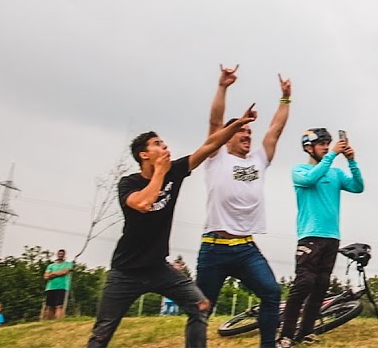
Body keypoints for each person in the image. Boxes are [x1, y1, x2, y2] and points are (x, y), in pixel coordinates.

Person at [85, 110, 256, 348]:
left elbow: (209, 145)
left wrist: (237, 124)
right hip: (125, 272)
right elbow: (143, 203)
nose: (164, 146)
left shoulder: (174, 171)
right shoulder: (129, 183)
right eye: (157, 144)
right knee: (102, 333)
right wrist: (160, 174)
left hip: (158, 268)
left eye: (164, 142)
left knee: (200, 306)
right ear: (144, 155)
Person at [195, 65, 290, 348]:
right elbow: (215, 122)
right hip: (214, 248)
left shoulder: (258, 160)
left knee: (272, 293)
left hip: (245, 249)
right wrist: (223, 86)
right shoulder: (216, 158)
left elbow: (275, 129)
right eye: (241, 131)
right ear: (229, 136)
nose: (247, 134)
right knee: (202, 309)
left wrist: (285, 98)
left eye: (249, 131)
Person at [276, 128, 363, 348]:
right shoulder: (300, 170)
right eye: (322, 144)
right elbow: (312, 179)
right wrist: (333, 155)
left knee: (321, 286)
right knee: (303, 284)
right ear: (309, 147)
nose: (326, 147)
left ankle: (306, 332)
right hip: (309, 236)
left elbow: (358, 186)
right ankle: (285, 334)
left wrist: (352, 161)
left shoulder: (335, 173)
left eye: (328, 144)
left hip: (332, 237)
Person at [43, 249, 74, 320]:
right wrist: (57, 274)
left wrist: (53, 274)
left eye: (62, 254)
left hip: (62, 287)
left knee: (59, 305)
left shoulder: (68, 264)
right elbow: (46, 276)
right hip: (50, 287)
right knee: (49, 306)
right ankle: (49, 322)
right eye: (59, 254)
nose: (60, 255)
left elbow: (64, 272)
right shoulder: (50, 266)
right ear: (57, 254)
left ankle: (59, 320)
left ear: (64, 255)